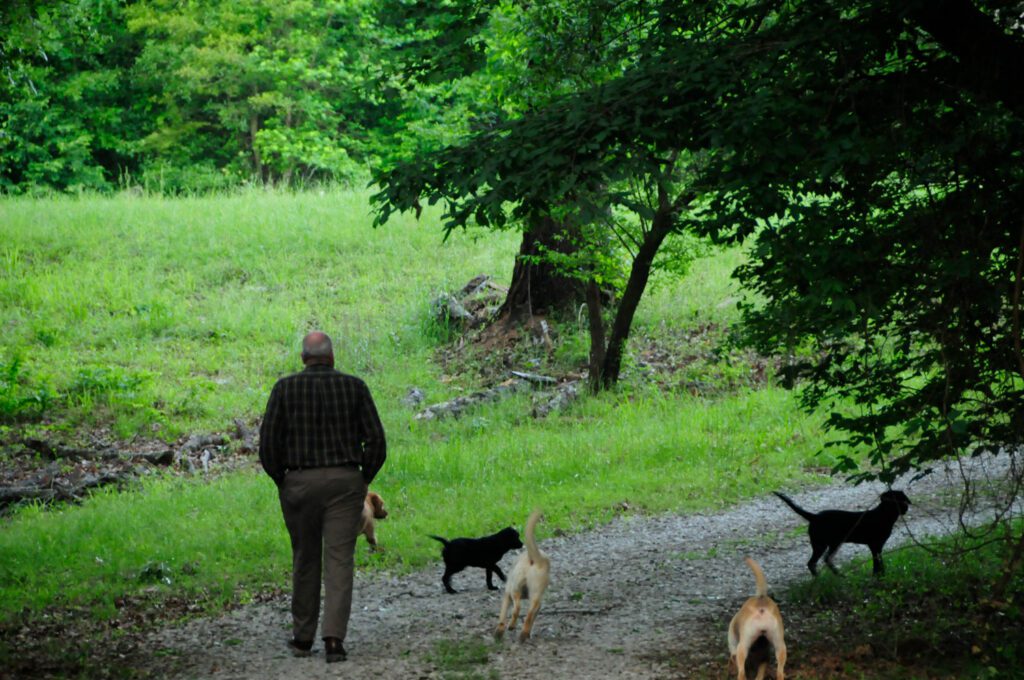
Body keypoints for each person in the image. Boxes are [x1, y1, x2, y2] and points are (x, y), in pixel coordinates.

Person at [258, 330, 387, 663]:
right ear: (332, 358)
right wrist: (362, 479)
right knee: (339, 560)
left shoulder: (283, 389)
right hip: (345, 482)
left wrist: (282, 480)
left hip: (298, 481)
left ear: (303, 358)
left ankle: (302, 638)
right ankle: (333, 641)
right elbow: (376, 440)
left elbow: (268, 443)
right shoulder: (355, 387)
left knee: (305, 558)